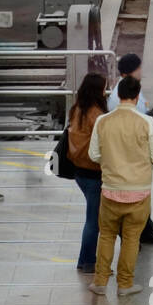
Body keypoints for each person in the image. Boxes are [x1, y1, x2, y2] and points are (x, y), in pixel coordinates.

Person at [87, 74, 153, 298]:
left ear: (118, 95)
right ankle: (125, 284)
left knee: (106, 235)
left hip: (110, 190)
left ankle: (100, 282)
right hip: (139, 192)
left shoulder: (103, 121)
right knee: (131, 238)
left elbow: (94, 155)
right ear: (137, 96)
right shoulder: (147, 122)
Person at [105, 53, 153, 245]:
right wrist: (148, 118)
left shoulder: (131, 88)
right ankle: (130, 236)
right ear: (131, 71)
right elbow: (126, 120)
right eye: (139, 68)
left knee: (141, 193)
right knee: (132, 194)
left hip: (136, 149)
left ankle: (146, 230)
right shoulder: (119, 95)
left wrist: (148, 116)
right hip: (129, 151)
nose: (142, 71)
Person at [64, 72, 106, 274]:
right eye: (104, 88)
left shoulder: (77, 109)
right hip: (93, 172)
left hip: (79, 171)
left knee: (93, 217)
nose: (106, 92)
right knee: (93, 220)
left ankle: (84, 259)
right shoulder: (96, 114)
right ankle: (89, 261)